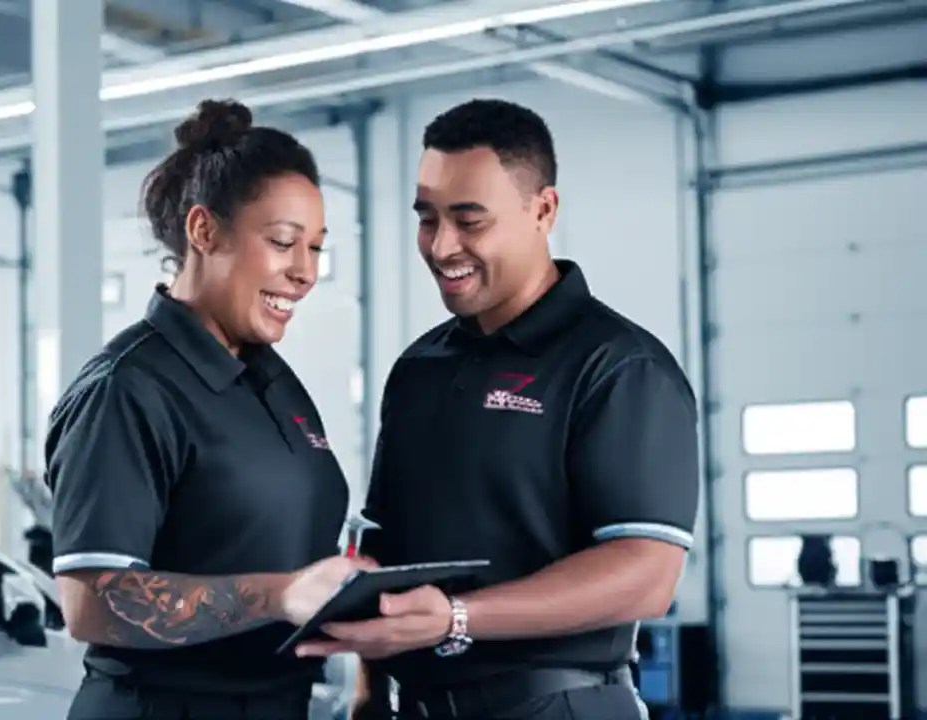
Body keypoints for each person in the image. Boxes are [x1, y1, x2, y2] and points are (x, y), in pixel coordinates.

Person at [296, 98, 700, 719]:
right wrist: (369, 691)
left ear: (543, 210)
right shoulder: (418, 368)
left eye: (469, 220)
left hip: (558, 705)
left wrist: (457, 619)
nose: (441, 246)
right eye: (426, 219)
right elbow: (385, 548)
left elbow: (647, 575)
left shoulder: (618, 366)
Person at [44, 99, 371, 720]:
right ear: (204, 231)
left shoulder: (275, 381)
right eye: (282, 243)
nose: (304, 272)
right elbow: (91, 604)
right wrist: (283, 596)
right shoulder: (127, 388)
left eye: (316, 249)